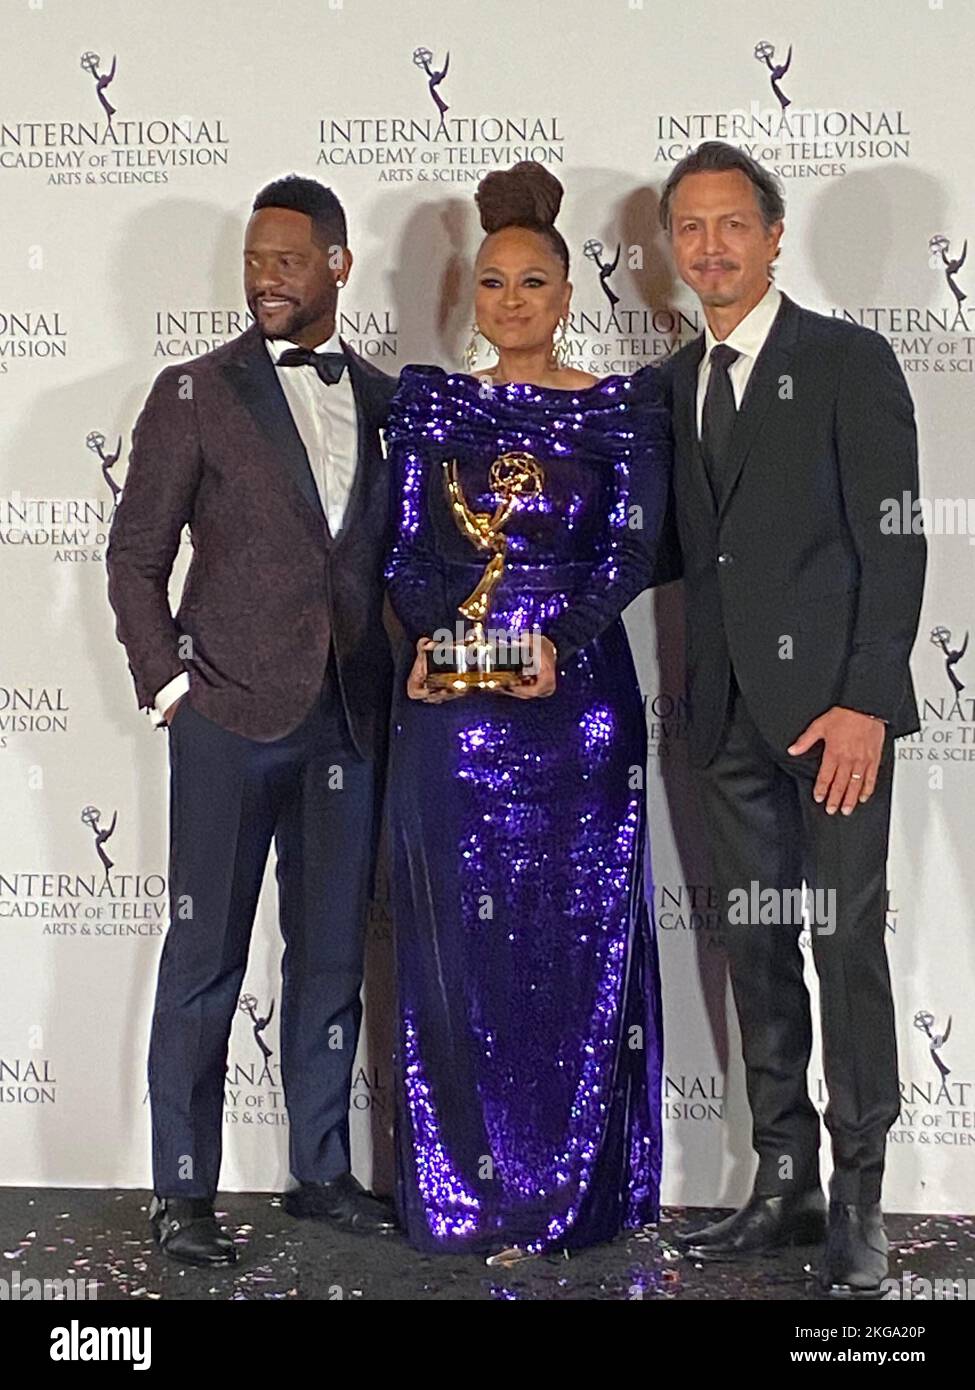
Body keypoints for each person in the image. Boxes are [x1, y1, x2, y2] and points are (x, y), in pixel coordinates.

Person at [106, 175, 398, 1266]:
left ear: (336, 265)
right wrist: (171, 684)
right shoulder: (195, 392)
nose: (263, 277)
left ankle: (319, 1171)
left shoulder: (383, 397)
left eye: (286, 259)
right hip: (227, 716)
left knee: (328, 961)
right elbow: (137, 556)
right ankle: (182, 1192)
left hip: (348, 722)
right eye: (252, 260)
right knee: (204, 958)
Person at [384, 162, 671, 1262]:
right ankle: (470, 1201)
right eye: (494, 284)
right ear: (472, 296)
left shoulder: (621, 410)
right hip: (457, 716)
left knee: (573, 943)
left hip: (580, 712)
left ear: (567, 293)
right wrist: (436, 639)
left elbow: (633, 551)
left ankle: (577, 1200)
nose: (513, 302)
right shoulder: (432, 405)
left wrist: (563, 636)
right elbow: (407, 554)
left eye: (535, 284)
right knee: (464, 950)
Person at [656, 142, 925, 1297]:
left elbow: (896, 537)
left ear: (773, 235)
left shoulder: (847, 362)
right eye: (689, 229)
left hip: (831, 725)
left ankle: (861, 1196)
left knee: (843, 945)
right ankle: (785, 1180)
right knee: (758, 952)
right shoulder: (675, 381)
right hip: (721, 720)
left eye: (731, 226)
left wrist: (866, 699)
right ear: (671, 248)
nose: (710, 247)